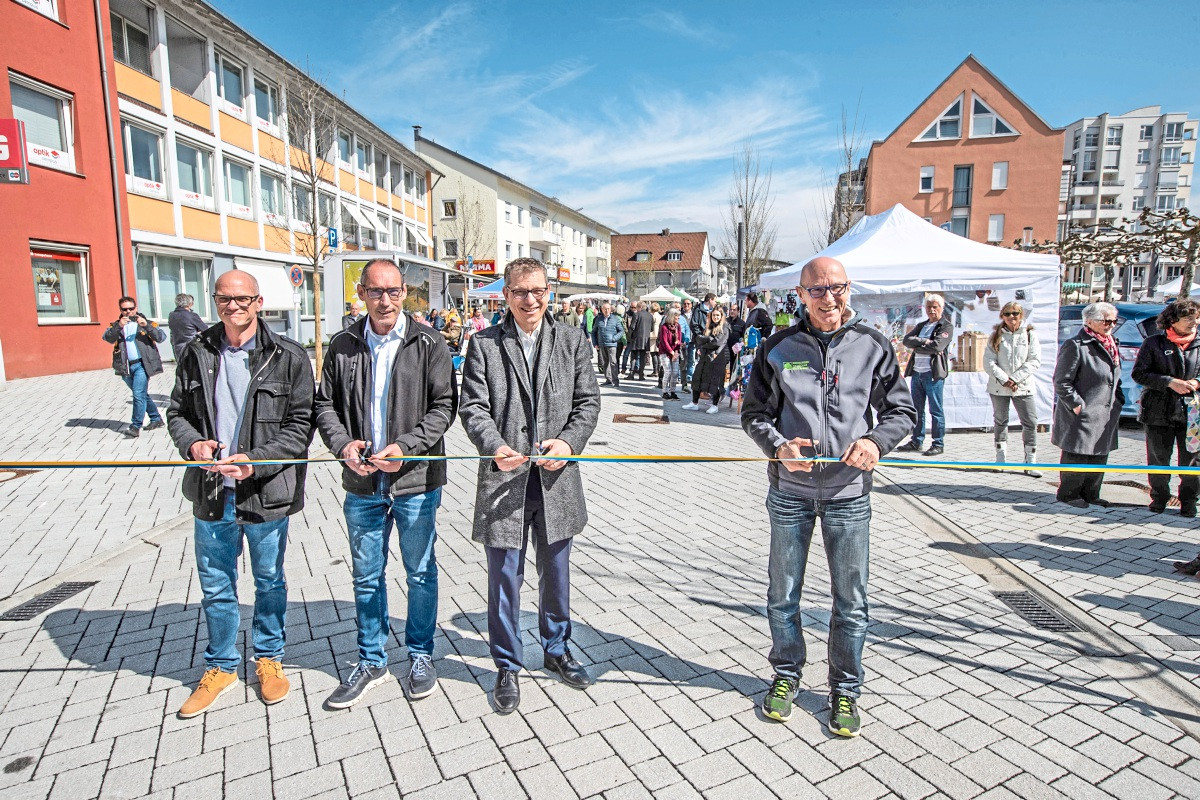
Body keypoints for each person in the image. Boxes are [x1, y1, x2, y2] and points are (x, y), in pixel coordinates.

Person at [741, 256, 916, 736]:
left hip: (849, 494)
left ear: (848, 289)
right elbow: (754, 414)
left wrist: (875, 442)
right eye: (816, 291)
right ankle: (785, 675)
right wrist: (778, 446)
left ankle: (845, 689)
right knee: (782, 594)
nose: (828, 298)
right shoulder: (777, 347)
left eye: (836, 288)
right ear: (801, 295)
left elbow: (902, 412)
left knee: (851, 600)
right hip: (790, 493)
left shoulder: (873, 346)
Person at [166, 269, 315, 718]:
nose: (234, 307)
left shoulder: (287, 356)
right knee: (216, 585)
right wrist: (192, 443)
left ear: (259, 301)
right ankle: (221, 666)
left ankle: (269, 658)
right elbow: (177, 412)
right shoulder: (197, 351)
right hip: (212, 492)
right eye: (225, 299)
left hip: (265, 491)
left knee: (269, 580)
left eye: (243, 299)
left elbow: (300, 426)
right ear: (214, 302)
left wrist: (256, 459)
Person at [459, 258, 601, 714]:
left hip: (556, 480)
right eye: (520, 291)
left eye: (537, 290)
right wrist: (494, 444)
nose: (530, 300)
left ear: (550, 292)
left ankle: (557, 649)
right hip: (506, 479)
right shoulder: (483, 344)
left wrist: (569, 442)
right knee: (504, 577)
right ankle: (506, 664)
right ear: (506, 295)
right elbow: (473, 407)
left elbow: (588, 402)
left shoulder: (572, 340)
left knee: (556, 575)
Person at [315, 259, 457, 708]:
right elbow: (324, 406)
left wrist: (408, 447)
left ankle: (420, 655)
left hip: (415, 480)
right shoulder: (342, 345)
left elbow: (444, 407)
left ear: (405, 294)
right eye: (375, 291)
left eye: (393, 291)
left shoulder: (429, 342)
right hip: (362, 484)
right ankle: (372, 659)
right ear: (361, 293)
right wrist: (343, 446)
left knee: (419, 573)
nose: (385, 300)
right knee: (367, 576)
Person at [1132, 300, 1200, 519]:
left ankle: (1189, 502)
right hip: (1158, 412)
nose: (1194, 322)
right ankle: (1159, 497)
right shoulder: (1154, 343)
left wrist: (1196, 382)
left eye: (1196, 318)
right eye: (1188, 318)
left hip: (1192, 414)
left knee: (1191, 460)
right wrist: (1169, 382)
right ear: (1172, 320)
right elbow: (1139, 374)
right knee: (1159, 458)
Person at [1052, 302, 1124, 509]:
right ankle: (1069, 494)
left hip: (1106, 409)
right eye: (1106, 320)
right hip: (1083, 410)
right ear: (1089, 321)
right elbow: (1062, 381)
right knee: (1078, 452)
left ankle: (1092, 493)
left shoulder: (1112, 343)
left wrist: (1118, 400)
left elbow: (1115, 377)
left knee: (1100, 452)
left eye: (1113, 321)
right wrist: (1076, 404)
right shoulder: (1075, 345)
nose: (1110, 325)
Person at [984, 302, 1042, 476]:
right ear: (1002, 315)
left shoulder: (1030, 334)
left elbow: (1034, 360)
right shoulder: (996, 335)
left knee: (1030, 422)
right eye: (1007, 314)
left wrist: (1015, 378)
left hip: (1023, 386)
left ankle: (1030, 461)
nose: (1011, 317)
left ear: (1021, 315)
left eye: (1015, 313)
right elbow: (989, 361)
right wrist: (1005, 379)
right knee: (1001, 421)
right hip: (999, 386)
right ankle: (1000, 458)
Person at [102, 295, 167, 438]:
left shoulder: (144, 322)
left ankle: (135, 426)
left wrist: (146, 326)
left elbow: (161, 337)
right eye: (124, 309)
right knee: (141, 394)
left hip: (142, 365)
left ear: (136, 308)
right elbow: (107, 338)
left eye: (131, 309)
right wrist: (119, 326)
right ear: (120, 310)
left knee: (138, 394)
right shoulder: (117, 325)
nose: (128, 312)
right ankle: (156, 418)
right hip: (125, 366)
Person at [899, 293, 954, 456]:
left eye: (935, 307)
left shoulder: (946, 326)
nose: (931, 310)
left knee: (936, 410)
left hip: (933, 374)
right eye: (929, 307)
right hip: (917, 372)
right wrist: (924, 342)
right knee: (917, 409)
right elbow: (906, 340)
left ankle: (938, 443)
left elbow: (938, 346)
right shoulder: (922, 325)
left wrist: (918, 345)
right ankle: (917, 440)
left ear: (941, 308)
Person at [682, 307, 730, 414]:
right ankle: (694, 403)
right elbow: (699, 340)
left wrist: (705, 341)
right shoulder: (709, 326)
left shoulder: (725, 327)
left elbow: (717, 342)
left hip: (716, 358)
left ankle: (715, 405)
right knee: (697, 378)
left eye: (718, 315)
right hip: (705, 357)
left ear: (721, 316)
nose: (715, 317)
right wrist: (705, 342)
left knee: (714, 382)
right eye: (714, 315)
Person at [592, 301, 623, 387]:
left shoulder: (615, 319)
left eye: (608, 309)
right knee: (605, 362)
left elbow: (621, 331)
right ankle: (608, 379)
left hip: (612, 344)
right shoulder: (599, 319)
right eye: (605, 309)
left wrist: (614, 338)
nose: (606, 310)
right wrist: (595, 343)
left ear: (611, 309)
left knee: (613, 362)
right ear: (602, 310)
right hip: (602, 344)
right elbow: (593, 332)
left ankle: (615, 380)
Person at [168, 293, 207, 360]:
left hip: (177, 347)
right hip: (192, 347)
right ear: (190, 304)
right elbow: (205, 329)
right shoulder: (191, 315)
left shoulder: (171, 315)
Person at [657, 307, 683, 400]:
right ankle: (665, 392)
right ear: (672, 316)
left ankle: (673, 391)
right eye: (677, 316)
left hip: (675, 351)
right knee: (668, 371)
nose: (678, 318)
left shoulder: (678, 326)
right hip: (665, 351)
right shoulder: (664, 327)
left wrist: (676, 351)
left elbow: (679, 339)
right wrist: (671, 352)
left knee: (675, 373)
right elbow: (664, 341)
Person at [629, 301, 653, 380]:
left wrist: (630, 335)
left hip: (636, 338)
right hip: (646, 339)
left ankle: (631, 374)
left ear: (639, 307)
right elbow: (652, 329)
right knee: (642, 357)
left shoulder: (636, 314)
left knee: (634, 356)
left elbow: (632, 327)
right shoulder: (650, 315)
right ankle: (641, 374)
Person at [679, 299, 694, 391]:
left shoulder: (694, 315)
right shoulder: (680, 315)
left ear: (691, 305)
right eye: (684, 304)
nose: (686, 305)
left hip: (692, 341)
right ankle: (681, 378)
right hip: (681, 343)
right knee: (682, 362)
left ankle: (689, 377)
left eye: (688, 304)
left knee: (691, 360)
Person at [649, 302, 663, 384]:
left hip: (653, 335)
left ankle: (655, 370)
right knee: (658, 354)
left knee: (653, 353)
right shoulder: (659, 316)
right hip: (658, 335)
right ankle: (657, 369)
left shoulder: (653, 316)